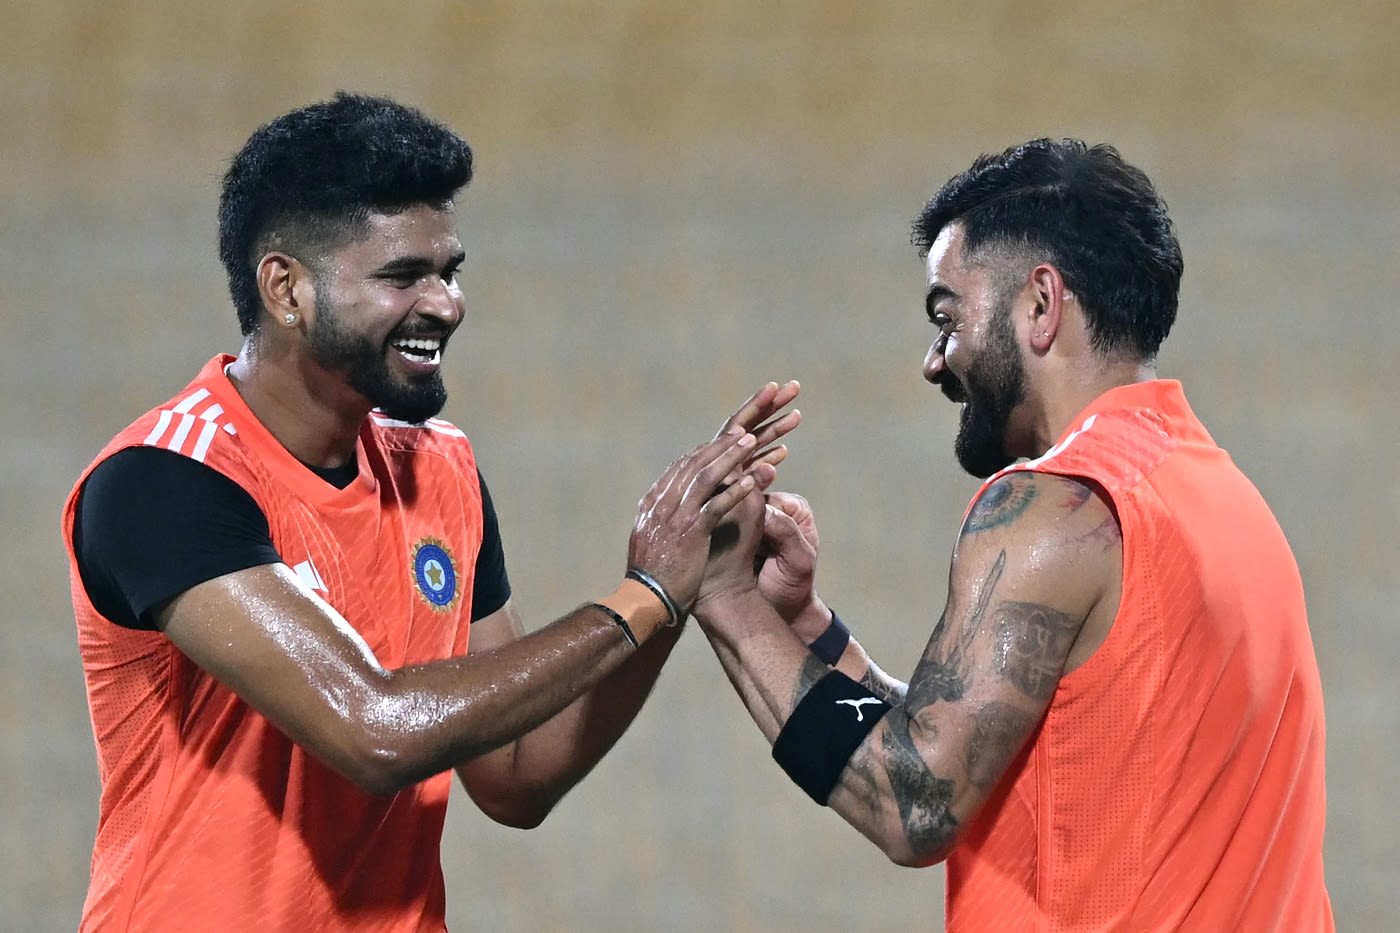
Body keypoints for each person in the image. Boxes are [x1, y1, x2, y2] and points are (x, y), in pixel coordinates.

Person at [60, 92, 800, 931]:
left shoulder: (442, 468)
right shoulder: (164, 479)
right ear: (286, 289)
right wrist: (644, 595)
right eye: (403, 275)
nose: (446, 304)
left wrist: (682, 580)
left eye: (449, 271)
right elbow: (374, 729)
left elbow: (517, 773)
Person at [692, 138, 1332, 930]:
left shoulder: (1055, 507)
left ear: (1040, 304)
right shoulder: (1220, 492)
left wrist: (721, 593)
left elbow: (914, 801)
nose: (935, 362)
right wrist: (805, 626)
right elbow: (961, 737)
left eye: (947, 318)